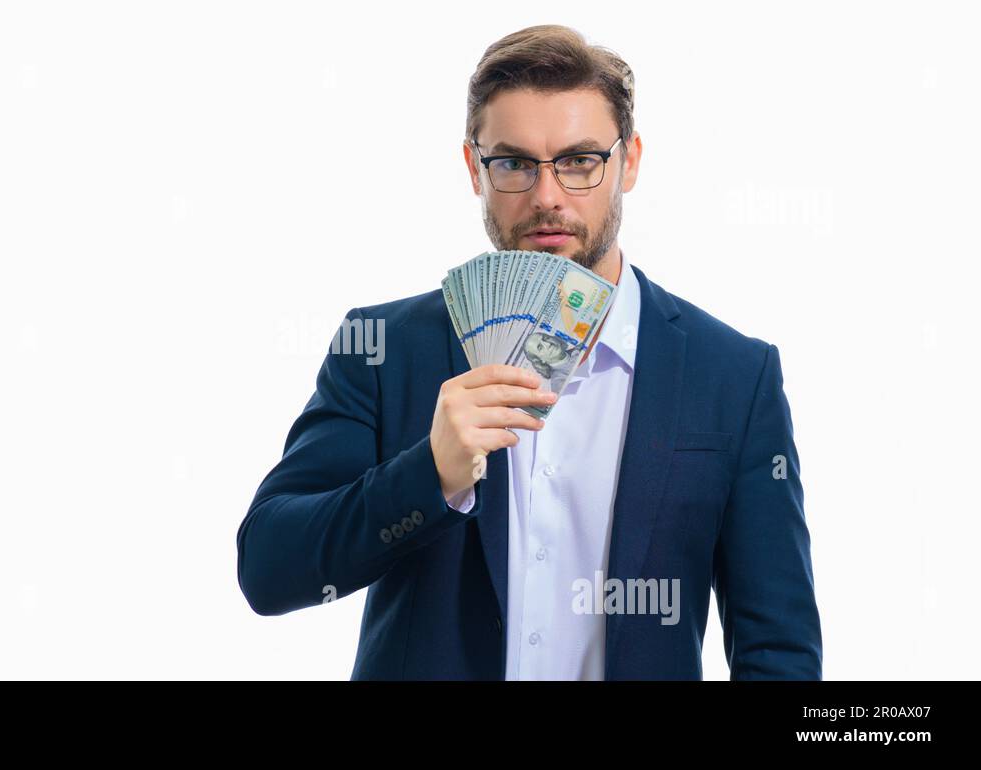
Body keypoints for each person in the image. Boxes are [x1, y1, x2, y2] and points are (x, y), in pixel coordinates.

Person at [237, 24, 821, 680]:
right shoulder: (383, 351)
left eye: (579, 161)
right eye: (514, 164)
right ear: (474, 169)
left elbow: (779, 651)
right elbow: (268, 568)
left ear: (628, 162)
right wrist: (430, 474)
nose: (547, 196)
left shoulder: (735, 378)